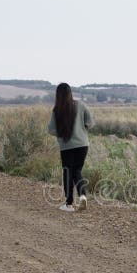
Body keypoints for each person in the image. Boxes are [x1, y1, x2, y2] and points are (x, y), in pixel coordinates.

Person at [47, 83, 94, 212]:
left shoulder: (56, 110)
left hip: (66, 146)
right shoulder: (81, 105)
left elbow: (51, 130)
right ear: (70, 92)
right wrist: (81, 130)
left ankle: (68, 204)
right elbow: (90, 123)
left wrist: (61, 134)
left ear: (58, 95)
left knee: (68, 172)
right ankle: (83, 196)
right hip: (83, 145)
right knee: (77, 171)